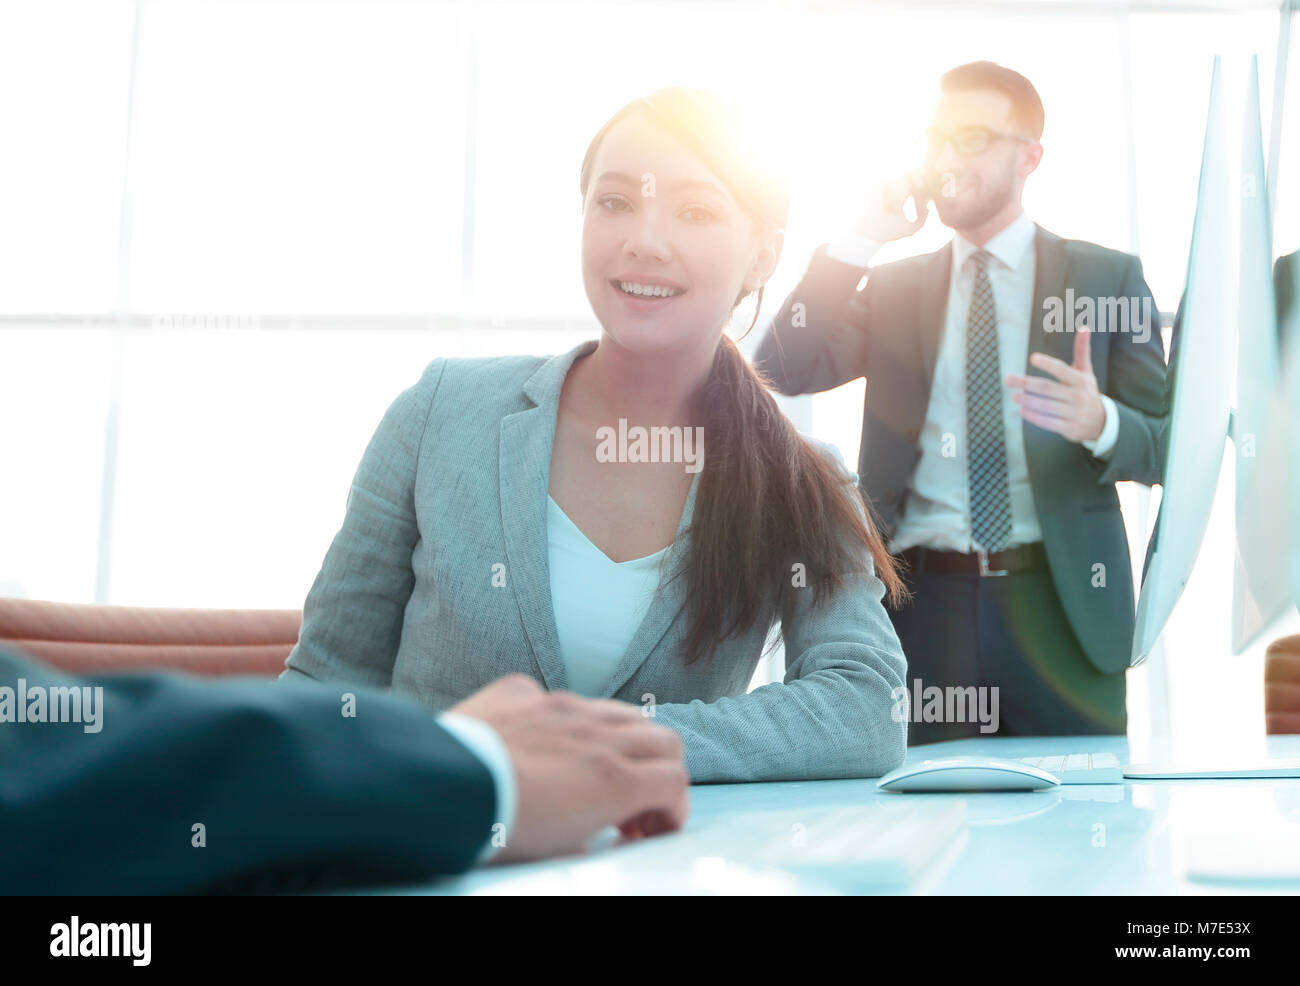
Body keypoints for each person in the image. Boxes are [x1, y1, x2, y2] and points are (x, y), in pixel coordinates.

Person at [282, 88, 909, 781]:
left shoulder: (801, 480)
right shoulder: (440, 412)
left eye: (696, 211)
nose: (644, 239)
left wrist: (605, 741)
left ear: (763, 255)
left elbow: (865, 711)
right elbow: (325, 686)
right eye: (614, 203)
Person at [755, 61, 1168, 743]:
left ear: (1029, 156)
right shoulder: (895, 289)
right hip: (920, 609)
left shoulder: (1104, 277)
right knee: (926, 831)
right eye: (936, 139)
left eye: (971, 138)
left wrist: (1103, 422)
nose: (946, 157)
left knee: (1081, 829)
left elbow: (1168, 447)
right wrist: (860, 240)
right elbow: (777, 368)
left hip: (1062, 606)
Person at [0, 646, 689, 894]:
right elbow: (328, 669)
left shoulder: (789, 469)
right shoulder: (443, 405)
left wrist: (641, 742)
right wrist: (454, 759)